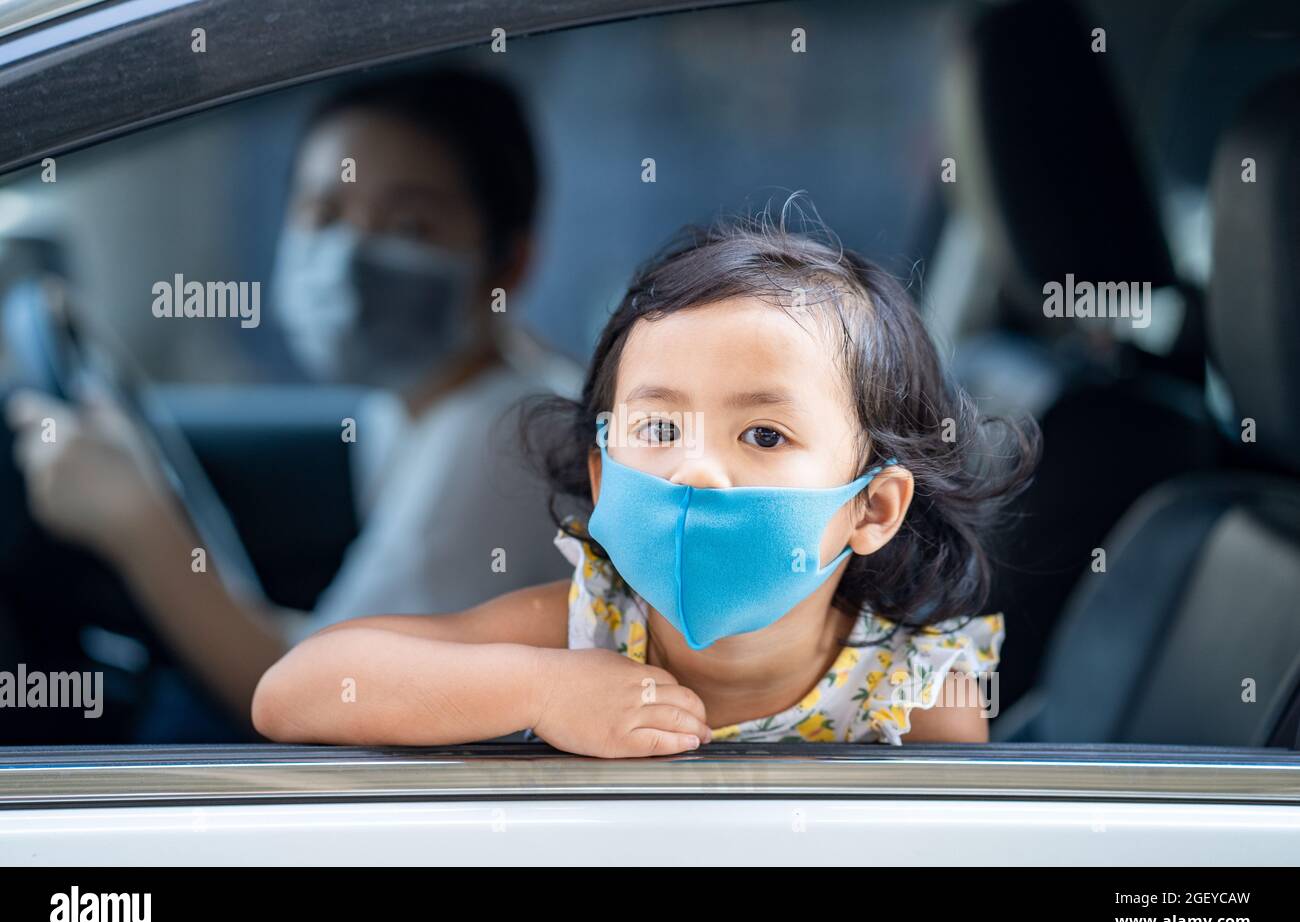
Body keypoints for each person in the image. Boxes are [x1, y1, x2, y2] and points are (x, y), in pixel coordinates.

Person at [250, 200, 1042, 756]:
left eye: (764, 433)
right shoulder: (582, 629)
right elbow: (296, 691)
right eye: (658, 428)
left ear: (872, 507)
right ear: (602, 478)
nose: (693, 465)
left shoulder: (916, 693)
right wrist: (540, 690)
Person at [5, 68, 578, 736]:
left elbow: (327, 698)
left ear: (508, 263)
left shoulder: (500, 441)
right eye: (324, 214)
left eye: (410, 226)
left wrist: (138, 525)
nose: (349, 258)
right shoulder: (409, 407)